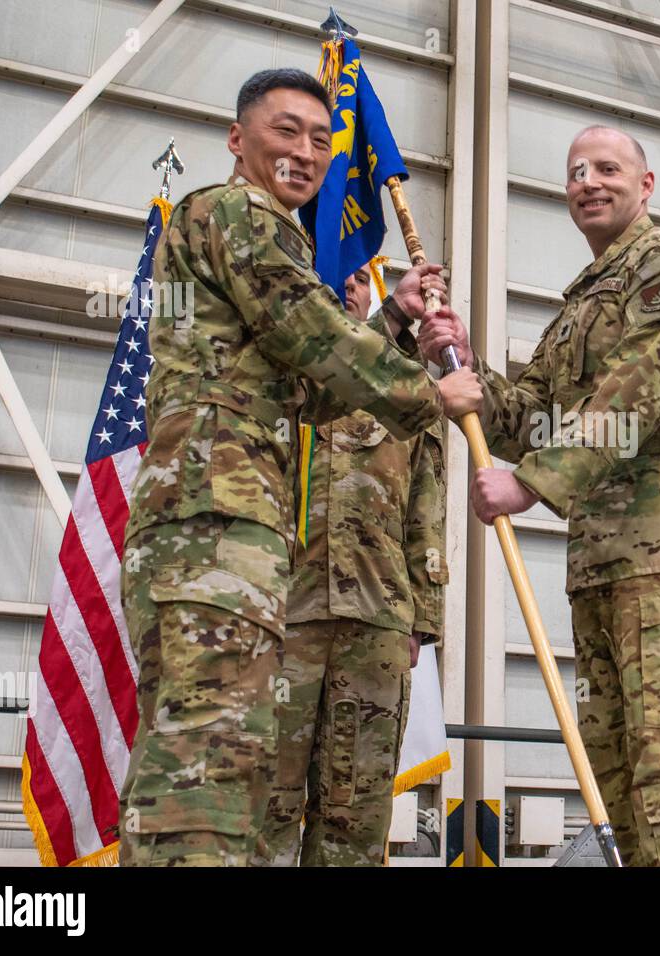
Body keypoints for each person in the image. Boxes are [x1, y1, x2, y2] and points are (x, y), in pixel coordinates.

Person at [120, 68, 480, 866]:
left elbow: (300, 394)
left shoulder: (239, 231)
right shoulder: (238, 210)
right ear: (237, 138)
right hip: (213, 520)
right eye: (286, 131)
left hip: (229, 525)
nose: (307, 152)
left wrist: (392, 329)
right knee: (207, 773)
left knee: (219, 761)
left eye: (322, 139)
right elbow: (310, 328)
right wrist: (431, 388)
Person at [419, 125, 660, 867]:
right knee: (617, 777)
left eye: (607, 168)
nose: (588, 182)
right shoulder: (580, 306)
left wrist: (534, 484)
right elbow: (534, 415)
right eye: (575, 172)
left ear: (646, 184)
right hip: (603, 563)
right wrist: (466, 372)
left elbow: (641, 389)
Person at [255, 264, 449, 866]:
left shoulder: (404, 385)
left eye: (359, 280)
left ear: (372, 294)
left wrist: (426, 617)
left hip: (377, 619)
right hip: (282, 616)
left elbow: (427, 502)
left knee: (358, 812)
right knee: (267, 806)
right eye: (331, 274)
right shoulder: (277, 374)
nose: (346, 287)